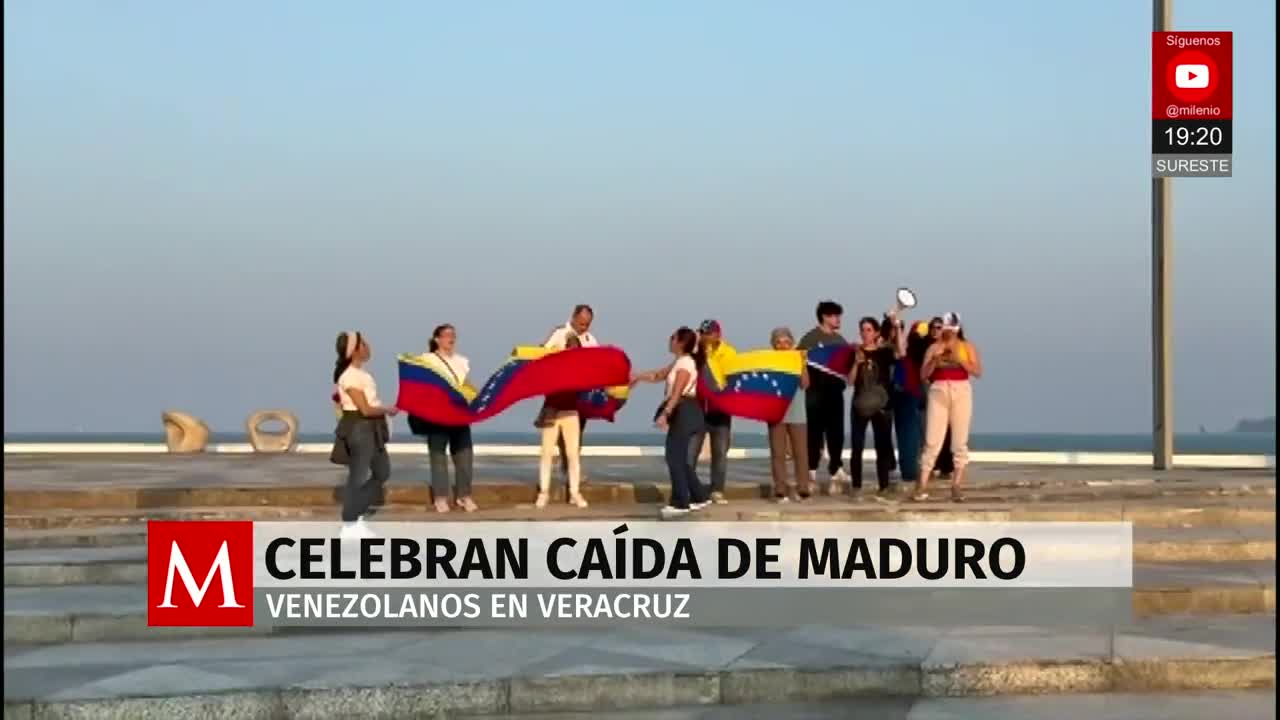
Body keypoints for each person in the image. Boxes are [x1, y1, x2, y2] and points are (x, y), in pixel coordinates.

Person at [631, 327, 710, 518]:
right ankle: (699, 496)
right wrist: (638, 377)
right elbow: (659, 375)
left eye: (672, 337)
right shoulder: (680, 361)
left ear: (680, 342)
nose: (670, 340)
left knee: (674, 457)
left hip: (685, 411)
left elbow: (677, 392)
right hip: (689, 412)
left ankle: (680, 502)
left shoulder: (684, 364)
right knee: (680, 459)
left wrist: (666, 413)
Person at [332, 331, 397, 539]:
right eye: (364, 344)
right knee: (358, 477)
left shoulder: (362, 374)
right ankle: (350, 523)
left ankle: (355, 516)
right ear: (354, 351)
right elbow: (365, 409)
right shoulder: (350, 376)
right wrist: (388, 409)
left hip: (372, 428)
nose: (368, 347)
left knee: (382, 472)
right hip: (360, 428)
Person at [914, 312, 983, 502]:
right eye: (946, 328)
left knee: (960, 440)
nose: (949, 332)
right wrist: (935, 361)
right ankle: (922, 484)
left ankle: (957, 484)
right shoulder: (934, 347)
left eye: (952, 328)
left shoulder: (967, 347)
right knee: (932, 439)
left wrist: (959, 359)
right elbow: (923, 375)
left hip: (961, 390)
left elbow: (977, 371)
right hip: (939, 389)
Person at [411, 324, 479, 513]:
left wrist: (477, 398)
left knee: (465, 454)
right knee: (438, 455)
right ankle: (441, 497)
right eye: (447, 335)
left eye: (453, 335)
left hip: (459, 413)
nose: (451, 339)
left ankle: (464, 496)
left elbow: (465, 383)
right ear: (437, 339)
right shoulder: (427, 359)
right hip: (437, 414)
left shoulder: (462, 361)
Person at [798, 300, 850, 495]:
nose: (838, 320)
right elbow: (798, 361)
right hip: (815, 394)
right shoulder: (810, 339)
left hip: (835, 393)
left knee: (836, 432)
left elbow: (847, 364)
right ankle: (811, 471)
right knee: (814, 433)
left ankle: (836, 468)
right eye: (835, 316)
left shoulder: (840, 340)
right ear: (825, 317)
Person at [847, 316, 901, 500]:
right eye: (862, 329)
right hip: (860, 405)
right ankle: (856, 487)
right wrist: (856, 362)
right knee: (857, 446)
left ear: (876, 332)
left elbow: (901, 353)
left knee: (883, 446)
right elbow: (850, 381)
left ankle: (883, 486)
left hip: (882, 405)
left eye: (869, 329)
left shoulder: (885, 353)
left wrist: (897, 327)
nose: (865, 333)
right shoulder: (855, 352)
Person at [544, 304, 598, 484]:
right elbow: (544, 355)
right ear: (574, 317)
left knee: (577, 434)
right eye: (582, 323)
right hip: (559, 393)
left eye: (587, 324)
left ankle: (572, 469)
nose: (584, 327)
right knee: (556, 434)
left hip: (581, 394)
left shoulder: (591, 340)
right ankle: (562, 469)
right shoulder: (559, 334)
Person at [535, 334, 588, 509]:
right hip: (552, 412)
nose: (573, 349)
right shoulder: (555, 364)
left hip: (571, 413)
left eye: (576, 346)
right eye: (570, 345)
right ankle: (544, 492)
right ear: (565, 347)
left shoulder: (582, 368)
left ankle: (575, 492)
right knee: (547, 453)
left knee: (573, 455)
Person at [692, 319, 736, 504]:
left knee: (720, 452)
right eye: (702, 333)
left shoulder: (729, 352)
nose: (705, 337)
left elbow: (735, 379)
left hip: (721, 409)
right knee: (691, 451)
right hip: (698, 408)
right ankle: (690, 488)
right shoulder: (695, 353)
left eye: (708, 333)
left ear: (718, 334)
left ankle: (717, 490)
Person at [766, 327, 813, 501]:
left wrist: (801, 364)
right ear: (774, 345)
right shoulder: (770, 362)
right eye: (779, 342)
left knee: (801, 453)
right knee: (778, 453)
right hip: (775, 413)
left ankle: (803, 488)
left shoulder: (798, 360)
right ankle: (780, 489)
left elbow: (805, 384)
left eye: (786, 342)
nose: (783, 345)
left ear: (792, 344)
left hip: (797, 413)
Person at [894, 321, 930, 485]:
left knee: (909, 435)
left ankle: (910, 472)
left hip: (909, 393)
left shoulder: (916, 352)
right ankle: (911, 472)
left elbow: (901, 349)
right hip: (909, 393)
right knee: (912, 435)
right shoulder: (921, 351)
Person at [925, 316, 955, 478]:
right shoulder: (928, 348)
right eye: (933, 328)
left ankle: (947, 466)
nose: (936, 331)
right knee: (933, 431)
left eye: (939, 327)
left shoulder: (950, 347)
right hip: (932, 391)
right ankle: (933, 464)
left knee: (949, 430)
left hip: (949, 391)